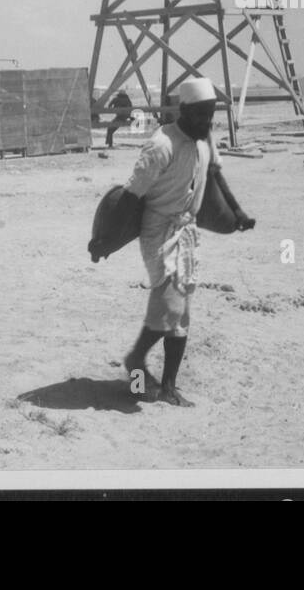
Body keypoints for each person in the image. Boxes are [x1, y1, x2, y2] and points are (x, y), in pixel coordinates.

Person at [119, 78, 252, 406]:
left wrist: (238, 213)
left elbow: (216, 176)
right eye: (199, 116)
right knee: (170, 303)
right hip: (158, 231)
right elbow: (129, 196)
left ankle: (168, 387)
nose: (205, 122)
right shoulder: (162, 143)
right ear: (183, 111)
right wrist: (106, 241)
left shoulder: (205, 138)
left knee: (181, 315)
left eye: (210, 115)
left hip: (188, 232)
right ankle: (135, 361)